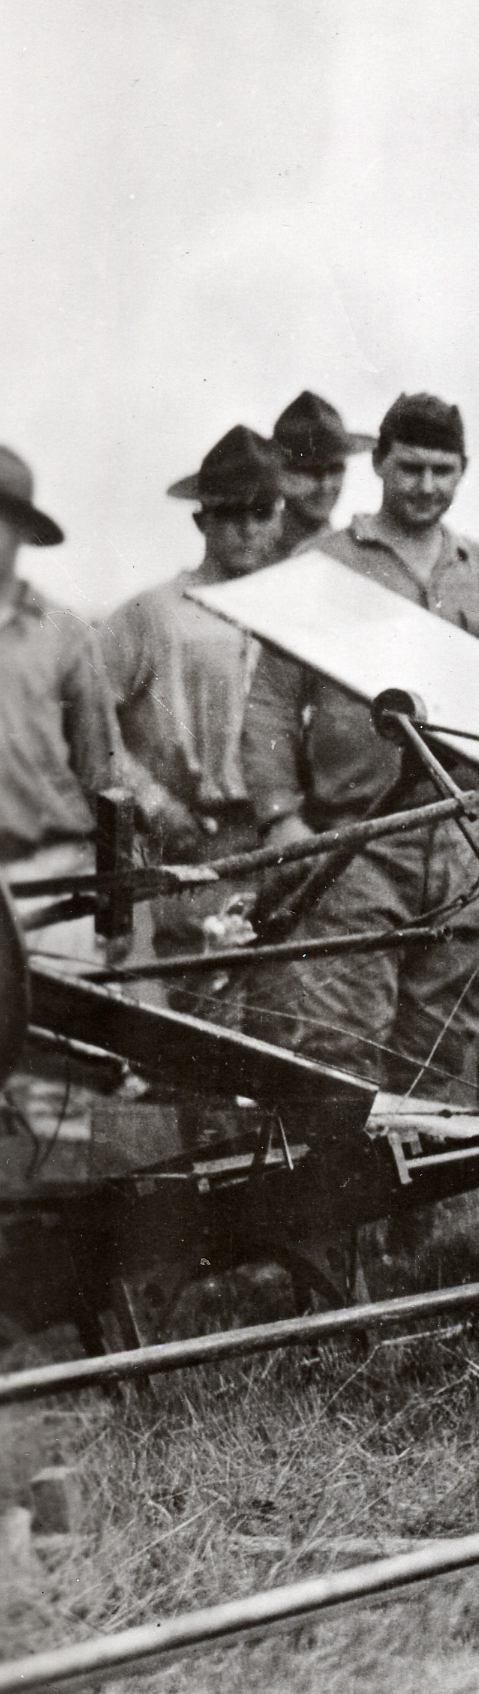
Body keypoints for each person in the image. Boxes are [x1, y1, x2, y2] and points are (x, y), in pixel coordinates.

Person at [243, 393, 479, 1099]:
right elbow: (268, 699)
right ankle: (334, 1212)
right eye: (409, 467)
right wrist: (280, 817)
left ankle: (416, 1213)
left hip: (462, 845)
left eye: (441, 470)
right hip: (356, 845)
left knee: (437, 1060)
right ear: (380, 461)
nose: (424, 486)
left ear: (464, 472)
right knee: (340, 1057)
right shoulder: (321, 565)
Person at [98, 427, 290, 1016]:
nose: (248, 528)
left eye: (261, 512)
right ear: (203, 520)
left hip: (278, 838)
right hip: (186, 838)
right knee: (195, 1007)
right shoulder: (153, 614)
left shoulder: (293, 610)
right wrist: (152, 800)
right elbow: (87, 721)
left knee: (278, 1010)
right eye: (231, 513)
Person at [0, 447, 120, 1164]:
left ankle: (63, 1259)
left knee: (60, 1078)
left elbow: (104, 770)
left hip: (52, 878)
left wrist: (109, 906)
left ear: (19, 529)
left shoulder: (64, 632)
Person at [266, 390, 371, 560]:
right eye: (310, 471)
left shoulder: (354, 554)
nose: (326, 485)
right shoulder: (253, 555)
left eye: (335, 469)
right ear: (280, 473)